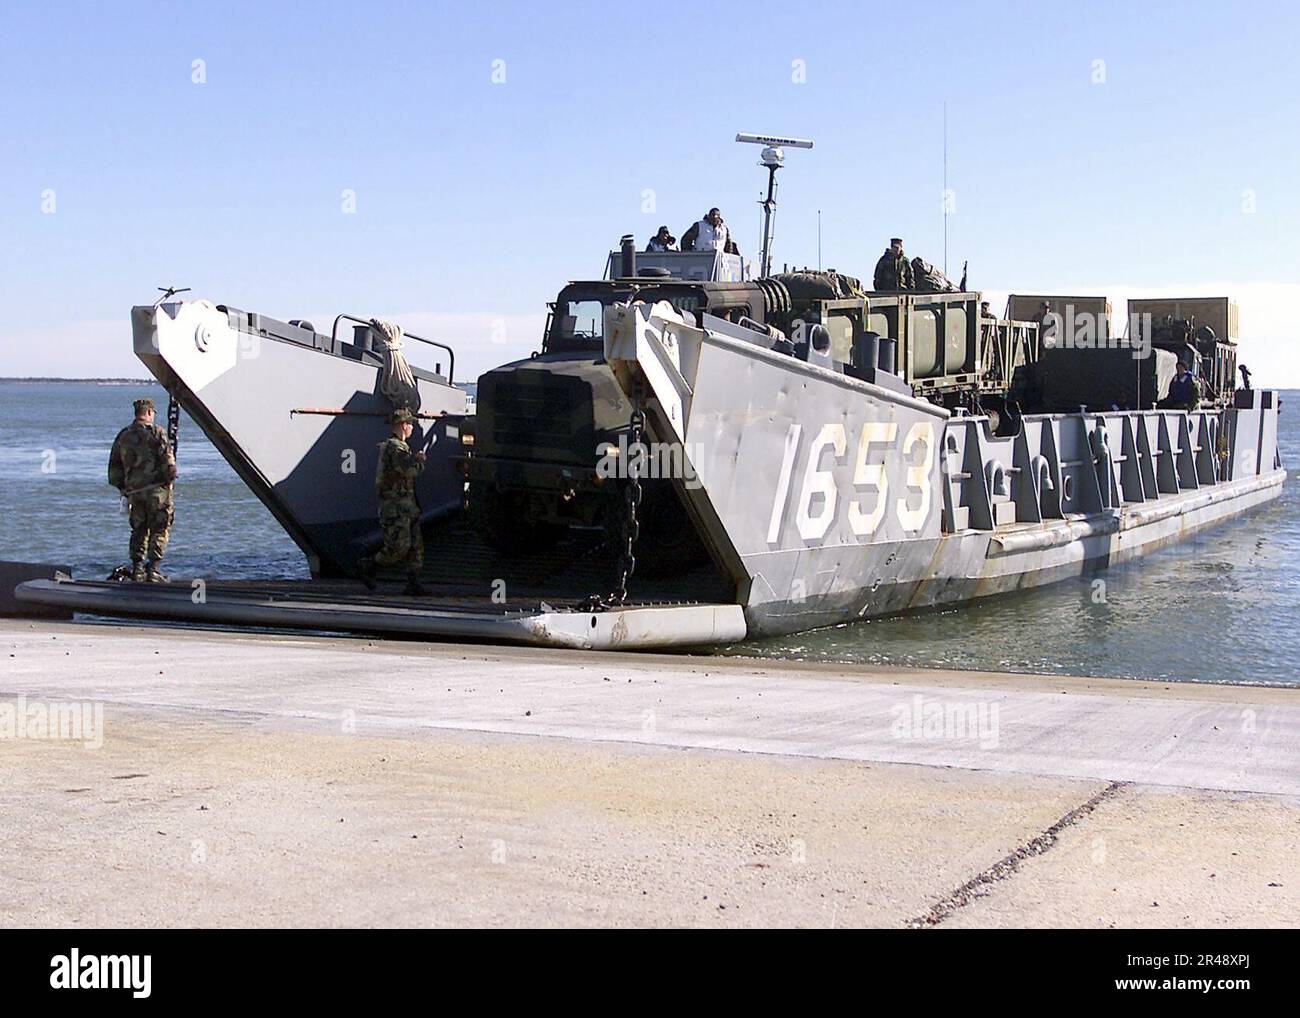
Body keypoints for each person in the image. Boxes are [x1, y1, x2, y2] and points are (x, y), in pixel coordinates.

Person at [358, 408, 428, 596]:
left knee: (416, 547)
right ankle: (370, 565)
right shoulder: (394, 448)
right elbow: (409, 470)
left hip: (407, 505)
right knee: (398, 546)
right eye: (410, 424)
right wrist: (420, 460)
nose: (412, 427)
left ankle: (413, 583)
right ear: (403, 425)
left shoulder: (400, 447)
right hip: (395, 507)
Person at [107, 397, 177, 582]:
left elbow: (114, 468)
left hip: (135, 493)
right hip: (157, 492)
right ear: (148, 413)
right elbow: (168, 462)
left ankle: (138, 568)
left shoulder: (123, 436)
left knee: (138, 529)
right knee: (160, 528)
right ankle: (153, 570)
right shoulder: (156, 432)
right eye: (152, 413)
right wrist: (170, 480)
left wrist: (123, 488)